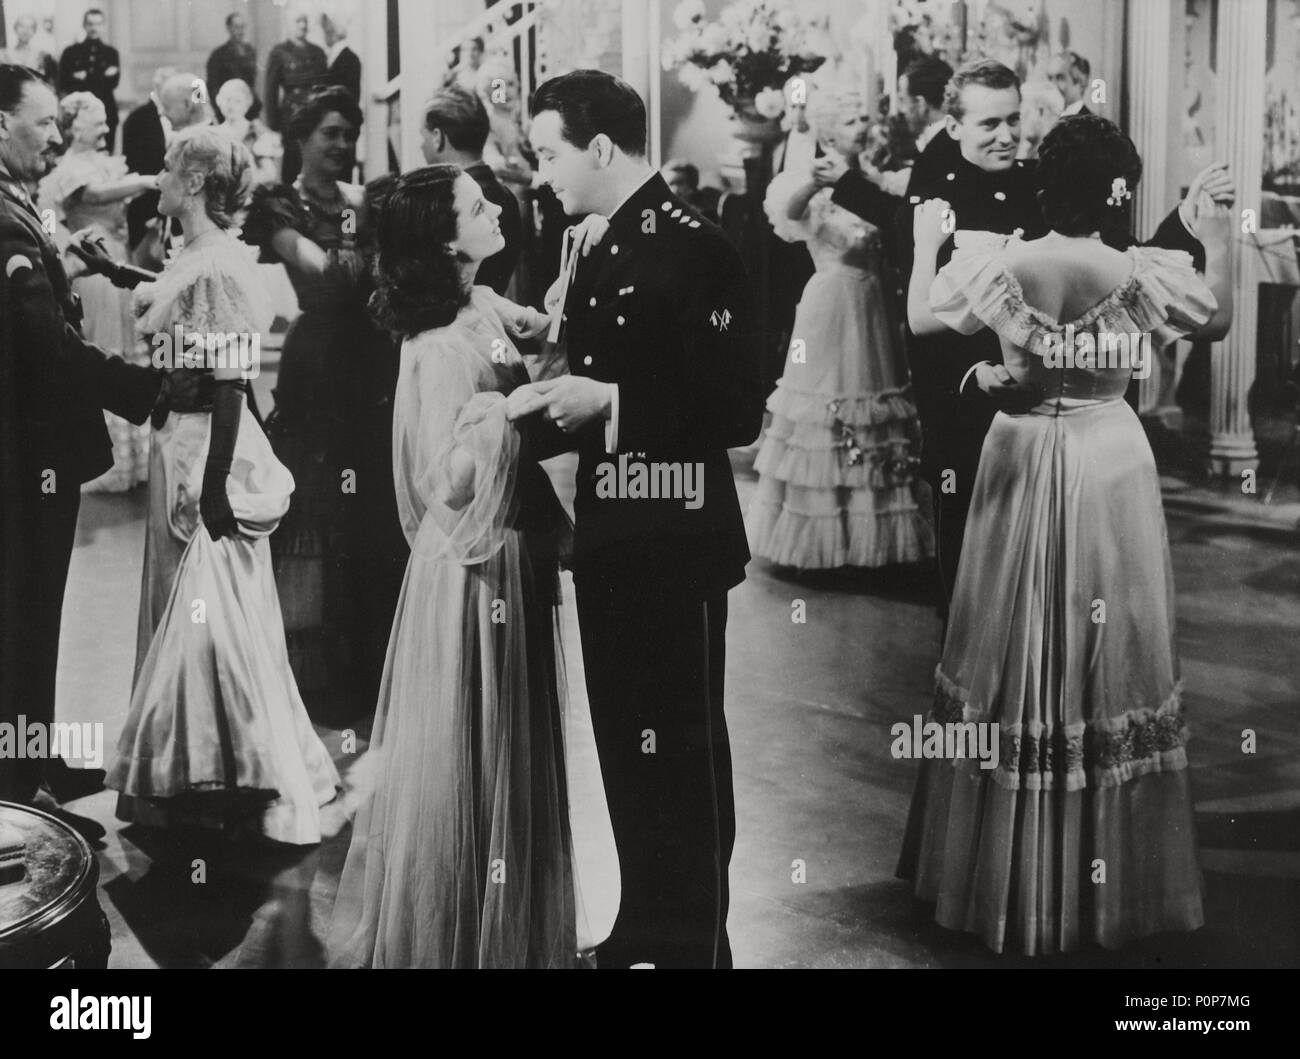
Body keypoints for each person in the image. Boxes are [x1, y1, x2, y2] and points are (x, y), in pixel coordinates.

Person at [898, 114, 1233, 954]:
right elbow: (1218, 321)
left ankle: (1002, 876)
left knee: (1009, 645)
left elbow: (923, 321)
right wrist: (1212, 238)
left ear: (1046, 183)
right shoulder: (1140, 273)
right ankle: (1106, 879)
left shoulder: (1001, 263)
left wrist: (920, 247)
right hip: (1109, 456)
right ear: (1119, 191)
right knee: (1109, 653)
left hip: (1018, 452)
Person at [509, 70, 765, 968]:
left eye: (549, 154)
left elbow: (735, 408)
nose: (543, 175)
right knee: (626, 742)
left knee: (684, 754)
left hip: (679, 540)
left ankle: (696, 944)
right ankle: (643, 922)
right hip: (614, 531)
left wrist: (609, 401)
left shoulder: (698, 248)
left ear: (602, 147)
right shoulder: (598, 240)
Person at [329, 164, 578, 966]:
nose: (495, 207)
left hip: (507, 548)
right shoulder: (436, 348)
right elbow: (442, 483)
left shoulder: (479, 303)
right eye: (476, 206)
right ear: (443, 242)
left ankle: (504, 928)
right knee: (471, 749)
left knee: (504, 741)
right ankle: (459, 939)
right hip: (474, 564)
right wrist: (505, 418)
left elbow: (538, 336)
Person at [109, 126, 341, 845]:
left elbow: (233, 378)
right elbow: (186, 309)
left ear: (201, 182)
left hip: (201, 444)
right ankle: (198, 767)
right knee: (191, 605)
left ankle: (217, 770)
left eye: (173, 167)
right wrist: (123, 277)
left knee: (204, 610)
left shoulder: (214, 264)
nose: (161, 175)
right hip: (183, 436)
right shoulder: (202, 254)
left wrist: (212, 485)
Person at [0, 65, 202, 831]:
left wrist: (74, 266)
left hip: (37, 451)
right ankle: (20, 804)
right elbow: (46, 347)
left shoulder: (17, 204)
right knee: (20, 619)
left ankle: (34, 758)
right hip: (25, 457)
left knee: (35, 613)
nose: (55, 135)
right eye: (43, 121)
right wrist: (146, 388)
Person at [242, 86, 406, 722]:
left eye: (349, 134)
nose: (342, 145)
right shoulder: (277, 203)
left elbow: (357, 272)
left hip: (372, 360)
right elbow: (323, 275)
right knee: (319, 506)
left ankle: (372, 665)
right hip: (320, 366)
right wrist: (374, 259)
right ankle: (318, 676)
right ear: (300, 137)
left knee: (369, 506)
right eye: (330, 133)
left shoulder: (363, 202)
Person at [749, 85, 931, 570]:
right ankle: (822, 533)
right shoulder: (806, 180)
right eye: (850, 121)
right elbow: (787, 217)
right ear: (827, 130)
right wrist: (813, 181)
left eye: (861, 119)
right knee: (827, 409)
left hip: (875, 307)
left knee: (875, 409)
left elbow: (900, 220)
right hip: (832, 303)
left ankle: (871, 531)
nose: (862, 127)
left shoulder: (874, 181)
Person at [38, 92, 157, 492]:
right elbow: (93, 197)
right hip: (92, 267)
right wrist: (145, 181)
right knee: (106, 349)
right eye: (97, 121)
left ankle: (135, 460)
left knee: (127, 345)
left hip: (115, 260)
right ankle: (110, 463)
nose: (106, 128)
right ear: (72, 127)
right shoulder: (70, 171)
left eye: (107, 120)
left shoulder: (103, 164)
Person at [421, 85, 521, 296]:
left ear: (438, 137)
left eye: (423, 136)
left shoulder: (445, 202)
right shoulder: (507, 198)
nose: (422, 146)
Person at [122, 69, 207, 263]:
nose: (162, 112)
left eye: (167, 106)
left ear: (187, 105)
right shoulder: (181, 139)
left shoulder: (205, 144)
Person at [264, 12, 327, 183]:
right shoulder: (279, 52)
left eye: (305, 21)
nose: (302, 25)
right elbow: (270, 90)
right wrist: (273, 124)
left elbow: (325, 86)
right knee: (292, 160)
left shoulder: (318, 52)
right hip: (291, 115)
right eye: (298, 21)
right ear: (289, 24)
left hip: (315, 113)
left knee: (315, 156)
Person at [58, 9, 121, 151]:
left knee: (105, 153)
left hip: (106, 113)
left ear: (103, 26)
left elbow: (113, 82)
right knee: (78, 155)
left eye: (98, 24)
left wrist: (84, 76)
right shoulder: (71, 52)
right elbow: (64, 82)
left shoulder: (111, 53)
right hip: (78, 114)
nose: (94, 28)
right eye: (90, 24)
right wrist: (101, 75)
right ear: (84, 26)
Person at [214, 78, 279, 185]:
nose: (232, 106)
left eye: (238, 101)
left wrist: (244, 184)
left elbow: (270, 174)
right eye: (228, 100)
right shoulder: (214, 133)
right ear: (219, 101)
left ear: (247, 104)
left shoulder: (256, 132)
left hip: (251, 191)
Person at [207, 11, 260, 122]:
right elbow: (213, 87)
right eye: (236, 27)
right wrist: (222, 109)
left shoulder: (250, 51)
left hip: (248, 109)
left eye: (242, 27)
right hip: (228, 111)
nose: (240, 31)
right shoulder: (218, 55)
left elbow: (252, 83)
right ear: (229, 28)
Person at [1017, 79, 1064, 160]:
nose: (1020, 121)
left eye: (1024, 113)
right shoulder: (1032, 152)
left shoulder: (1052, 156)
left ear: (1041, 112)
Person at [1, 15, 57, 83]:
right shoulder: (4, 54)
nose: (25, 31)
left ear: (34, 31)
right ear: (15, 28)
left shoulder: (41, 55)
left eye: (30, 27)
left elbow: (50, 81)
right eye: (21, 26)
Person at [322, 9, 361, 101]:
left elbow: (352, 96)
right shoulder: (331, 57)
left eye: (327, 29)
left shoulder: (350, 59)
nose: (324, 33)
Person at [1047, 50, 1091, 117]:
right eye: (1050, 78)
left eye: (1060, 78)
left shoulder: (1094, 124)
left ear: (1081, 82)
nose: (1052, 85)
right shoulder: (1047, 120)